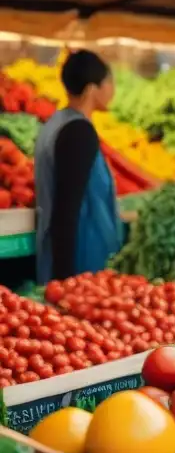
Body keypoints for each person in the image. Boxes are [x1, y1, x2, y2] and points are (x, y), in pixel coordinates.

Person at [34, 50, 122, 282]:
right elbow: (67, 209)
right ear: (93, 89)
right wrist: (65, 281)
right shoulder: (79, 132)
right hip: (82, 266)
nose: (112, 89)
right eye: (109, 82)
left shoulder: (56, 123)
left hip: (74, 265)